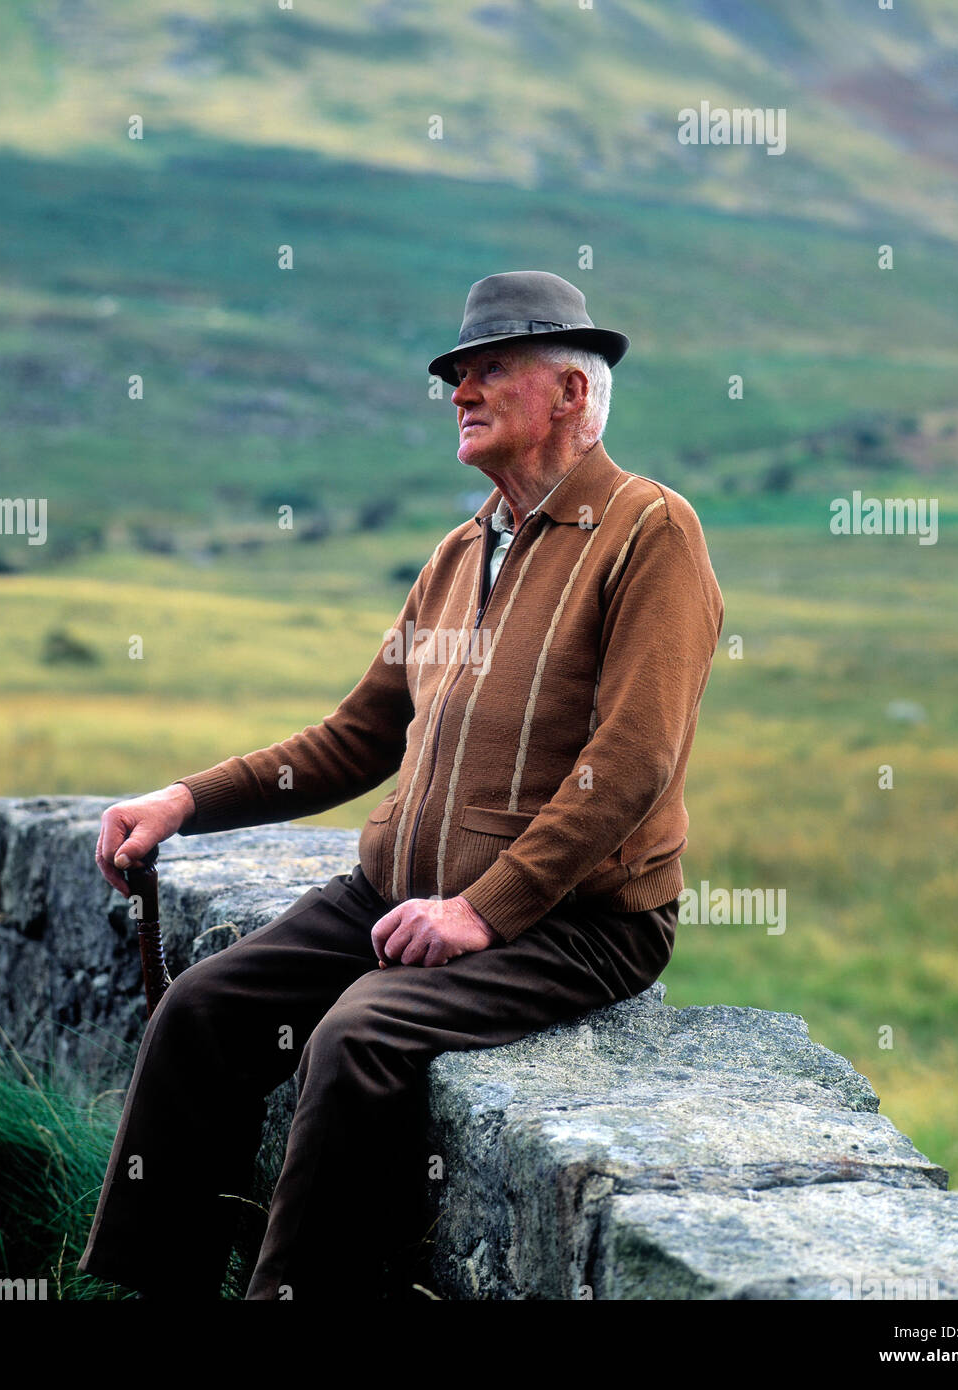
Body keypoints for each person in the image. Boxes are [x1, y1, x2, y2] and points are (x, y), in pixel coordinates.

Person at [77, 270, 724, 1301]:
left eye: (487, 369)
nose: (460, 390)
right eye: (455, 374)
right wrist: (185, 802)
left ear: (569, 392)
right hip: (395, 892)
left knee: (357, 1037)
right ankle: (152, 1287)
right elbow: (357, 734)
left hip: (573, 922)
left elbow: (634, 760)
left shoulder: (650, 533)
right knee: (201, 1011)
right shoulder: (463, 549)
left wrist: (483, 908)